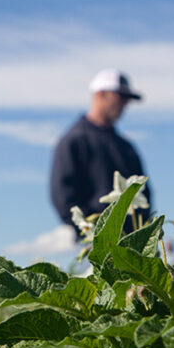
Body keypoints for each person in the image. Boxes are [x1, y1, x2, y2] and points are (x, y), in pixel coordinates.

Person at [50, 69, 152, 235]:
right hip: (93, 243)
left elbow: (144, 193)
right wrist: (95, 232)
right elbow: (62, 196)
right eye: (120, 97)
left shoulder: (126, 147)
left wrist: (140, 234)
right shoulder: (74, 141)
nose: (125, 104)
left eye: (127, 99)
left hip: (131, 245)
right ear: (101, 94)